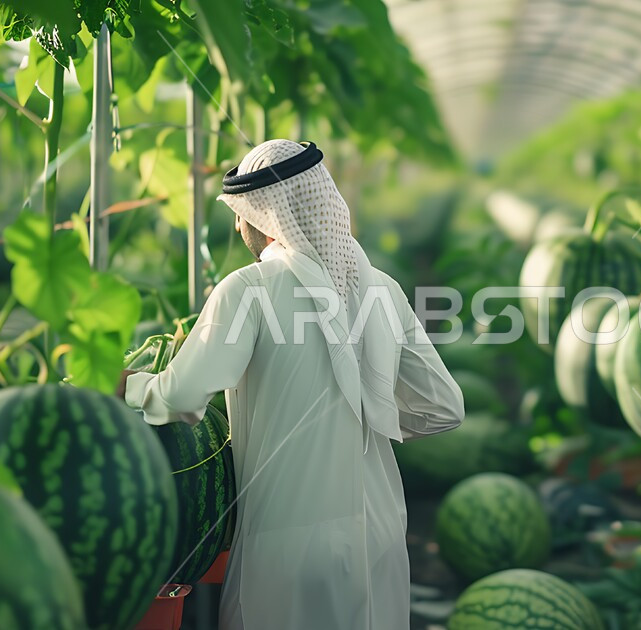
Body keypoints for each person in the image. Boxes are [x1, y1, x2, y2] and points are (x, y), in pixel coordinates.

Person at [118, 139, 465, 629]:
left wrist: (127, 387)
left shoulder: (248, 292)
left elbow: (181, 397)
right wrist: (367, 412)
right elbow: (444, 407)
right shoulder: (382, 290)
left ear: (263, 216)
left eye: (240, 214)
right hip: (383, 535)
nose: (238, 225)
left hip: (287, 543)